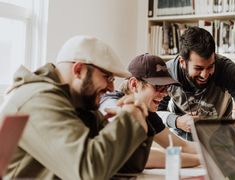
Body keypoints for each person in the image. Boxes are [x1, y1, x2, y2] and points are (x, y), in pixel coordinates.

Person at [0, 35, 149, 180]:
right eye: (107, 77)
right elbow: (88, 172)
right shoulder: (38, 99)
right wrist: (128, 120)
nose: (111, 88)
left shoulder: (79, 103)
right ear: (78, 70)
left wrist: (137, 115)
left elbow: (128, 166)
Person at [159, 26, 235, 153]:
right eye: (198, 68)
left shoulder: (227, 70)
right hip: (182, 143)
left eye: (210, 67)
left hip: (221, 142)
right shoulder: (167, 74)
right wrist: (177, 121)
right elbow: (156, 112)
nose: (205, 75)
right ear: (182, 62)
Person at [100, 54, 200, 172]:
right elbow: (137, 156)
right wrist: (200, 159)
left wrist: (217, 149)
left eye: (166, 87)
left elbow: (182, 146)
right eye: (158, 87)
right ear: (134, 84)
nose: (165, 94)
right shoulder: (111, 104)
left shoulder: (146, 110)